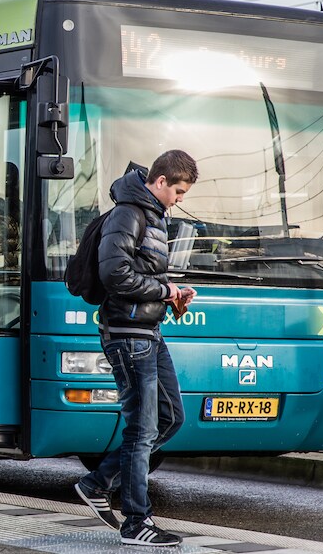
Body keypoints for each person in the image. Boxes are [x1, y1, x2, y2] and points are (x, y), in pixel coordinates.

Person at [74, 149, 197, 547]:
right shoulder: (129, 213)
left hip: (148, 330)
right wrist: (166, 289)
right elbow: (114, 273)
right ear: (160, 181)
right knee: (142, 428)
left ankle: (96, 482)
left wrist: (170, 298)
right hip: (127, 335)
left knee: (170, 418)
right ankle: (135, 522)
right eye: (177, 190)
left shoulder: (154, 215)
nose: (180, 199)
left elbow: (139, 272)